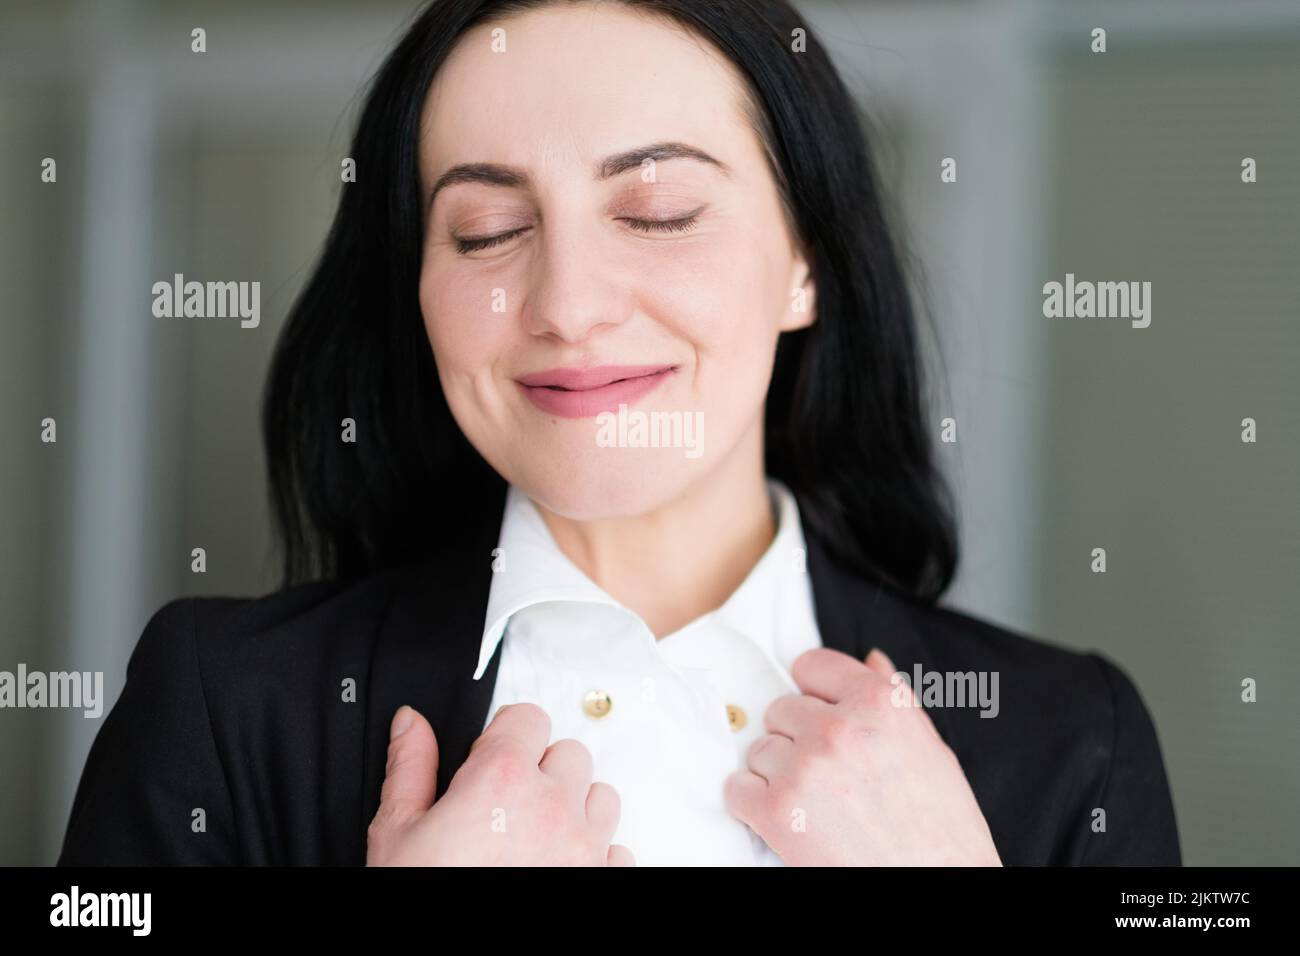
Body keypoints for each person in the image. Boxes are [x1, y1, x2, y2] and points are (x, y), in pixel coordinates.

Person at [57, 0, 1180, 866]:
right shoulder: (224, 706)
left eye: (655, 213)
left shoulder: (1073, 739)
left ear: (805, 260)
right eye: (488, 230)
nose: (568, 303)